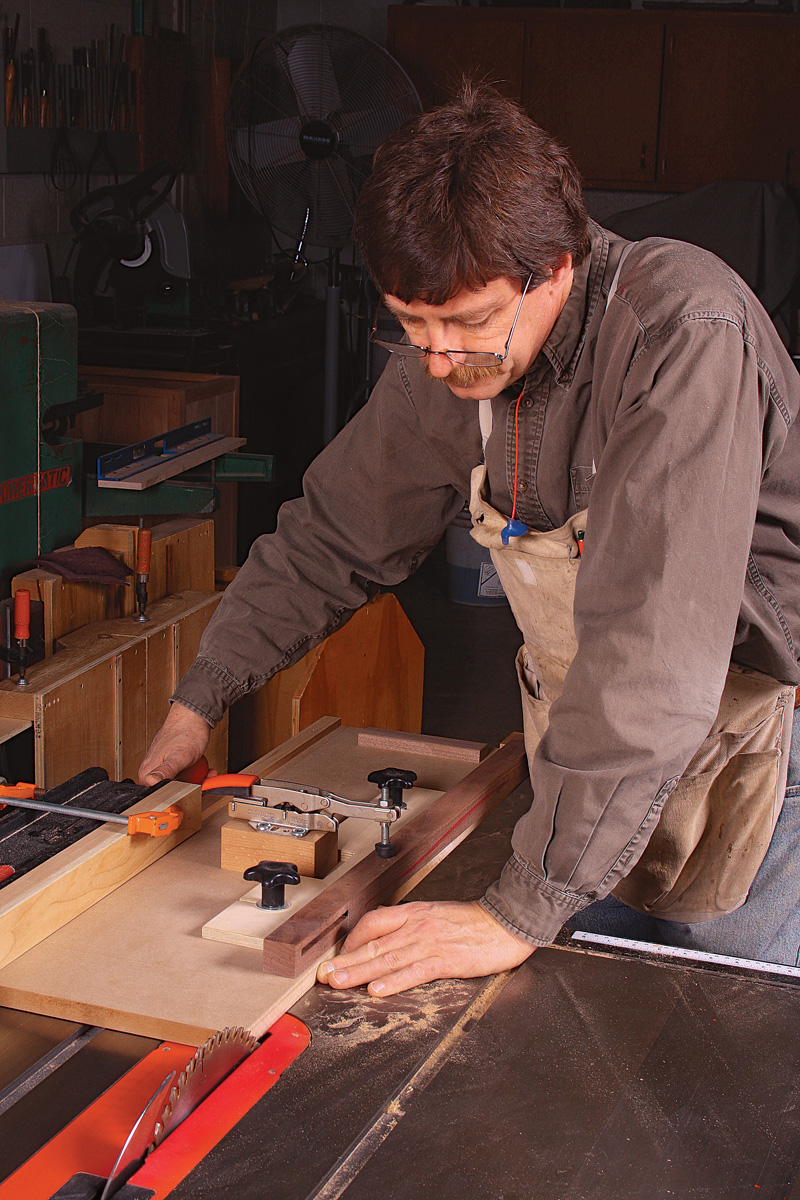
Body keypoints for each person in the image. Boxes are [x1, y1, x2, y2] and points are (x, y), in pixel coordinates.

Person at [139, 83, 800, 996]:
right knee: (582, 1037)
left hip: (758, 757)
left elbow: (651, 657)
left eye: (470, 324)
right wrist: (199, 698)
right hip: (597, 757)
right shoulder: (449, 367)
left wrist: (517, 910)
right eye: (413, 328)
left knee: (718, 1051)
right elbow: (332, 534)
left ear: (557, 265)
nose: (444, 361)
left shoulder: (681, 336)